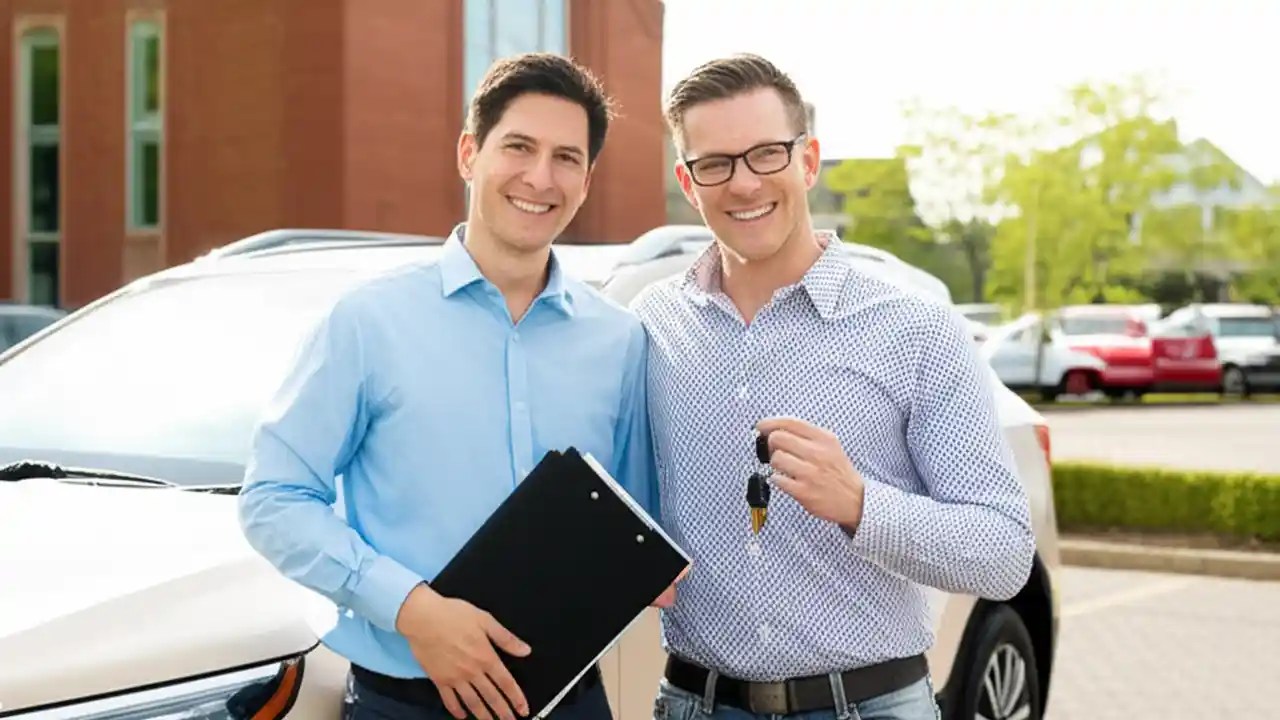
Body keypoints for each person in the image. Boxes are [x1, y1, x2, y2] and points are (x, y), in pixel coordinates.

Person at [239, 52, 667, 720]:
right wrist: (413, 609)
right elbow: (274, 499)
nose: (540, 177)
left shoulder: (619, 341)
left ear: (586, 181)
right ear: (469, 153)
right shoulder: (369, 322)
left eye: (566, 158)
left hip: (573, 703)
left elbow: (635, 519)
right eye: (518, 147)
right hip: (406, 703)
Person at [631, 54, 1036, 720]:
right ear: (688, 181)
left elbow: (1003, 554)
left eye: (767, 154)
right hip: (695, 704)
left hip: (870, 706)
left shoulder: (916, 329)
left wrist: (860, 505)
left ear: (809, 160)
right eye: (716, 164)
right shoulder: (651, 324)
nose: (744, 183)